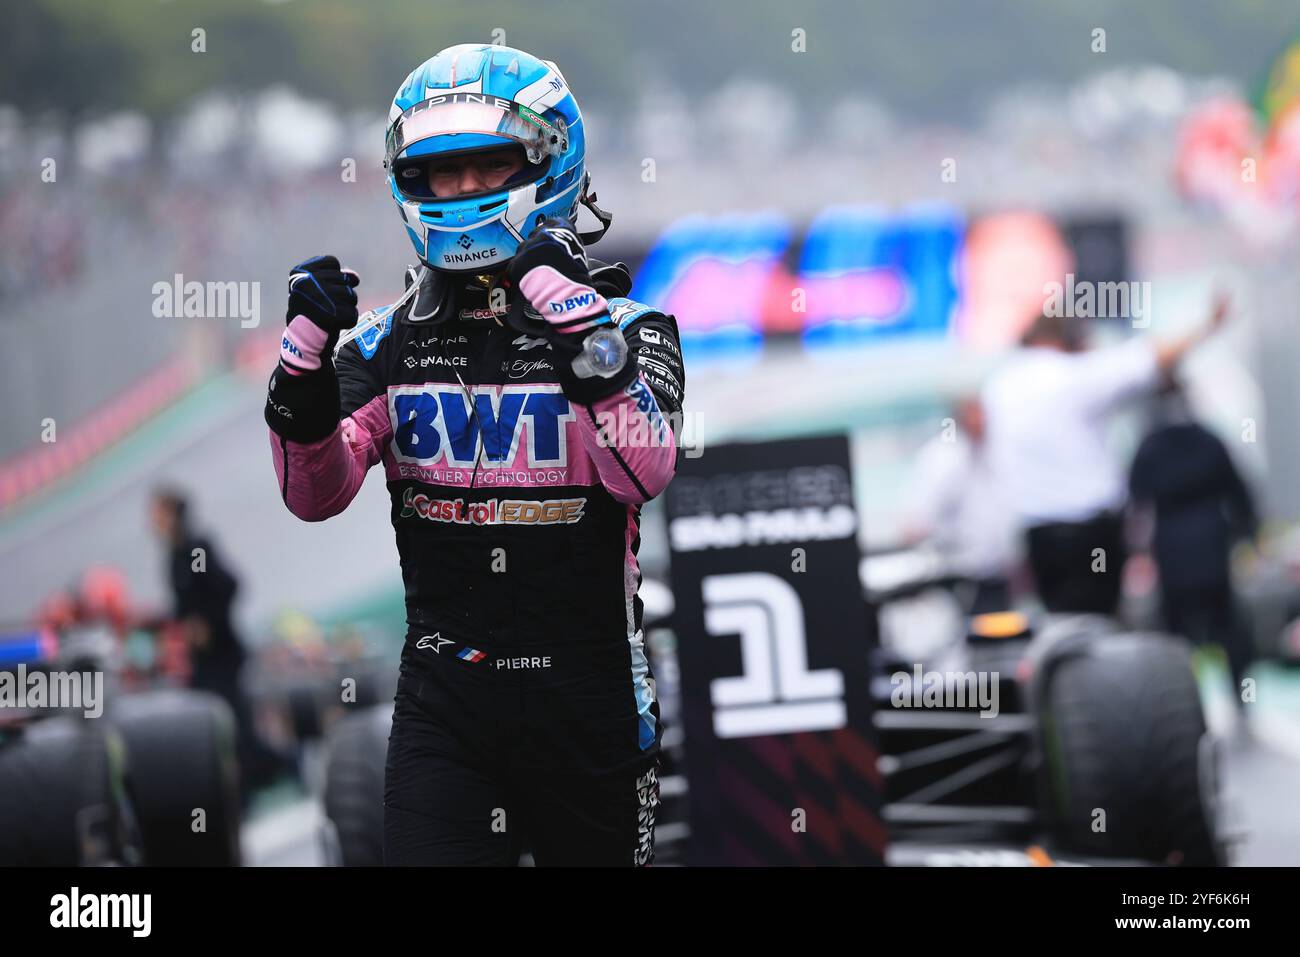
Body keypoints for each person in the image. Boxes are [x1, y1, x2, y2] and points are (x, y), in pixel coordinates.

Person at [264, 44, 685, 866]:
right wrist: (300, 372)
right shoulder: (385, 343)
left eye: (486, 166)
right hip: (444, 702)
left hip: (591, 694)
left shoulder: (633, 329)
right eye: (439, 172)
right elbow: (313, 493)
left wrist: (572, 321)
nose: (460, 191)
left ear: (547, 161)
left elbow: (644, 470)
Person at [980, 295, 1227, 616]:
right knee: (1100, 623)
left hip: (1038, 535)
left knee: (1061, 622)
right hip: (1090, 534)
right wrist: (1208, 325)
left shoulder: (1000, 386)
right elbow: (1151, 359)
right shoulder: (1072, 376)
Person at [1129, 383, 1257, 709]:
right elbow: (1240, 493)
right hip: (1210, 545)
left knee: (1177, 634)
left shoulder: (1150, 447)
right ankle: (1239, 696)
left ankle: (1182, 702)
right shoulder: (1207, 440)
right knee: (1225, 625)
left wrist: (1137, 553)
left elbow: (1135, 505)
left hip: (1174, 551)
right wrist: (1247, 537)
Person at [149, 487, 281, 799]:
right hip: (202, 662)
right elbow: (183, 606)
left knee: (235, 724)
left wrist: (206, 622)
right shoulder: (174, 556)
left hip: (222, 655)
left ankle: (265, 772)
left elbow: (228, 586)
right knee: (210, 722)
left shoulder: (196, 548)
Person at [902, 397, 1017, 614]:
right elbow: (917, 522)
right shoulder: (942, 458)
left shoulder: (994, 451)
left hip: (997, 571)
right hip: (961, 576)